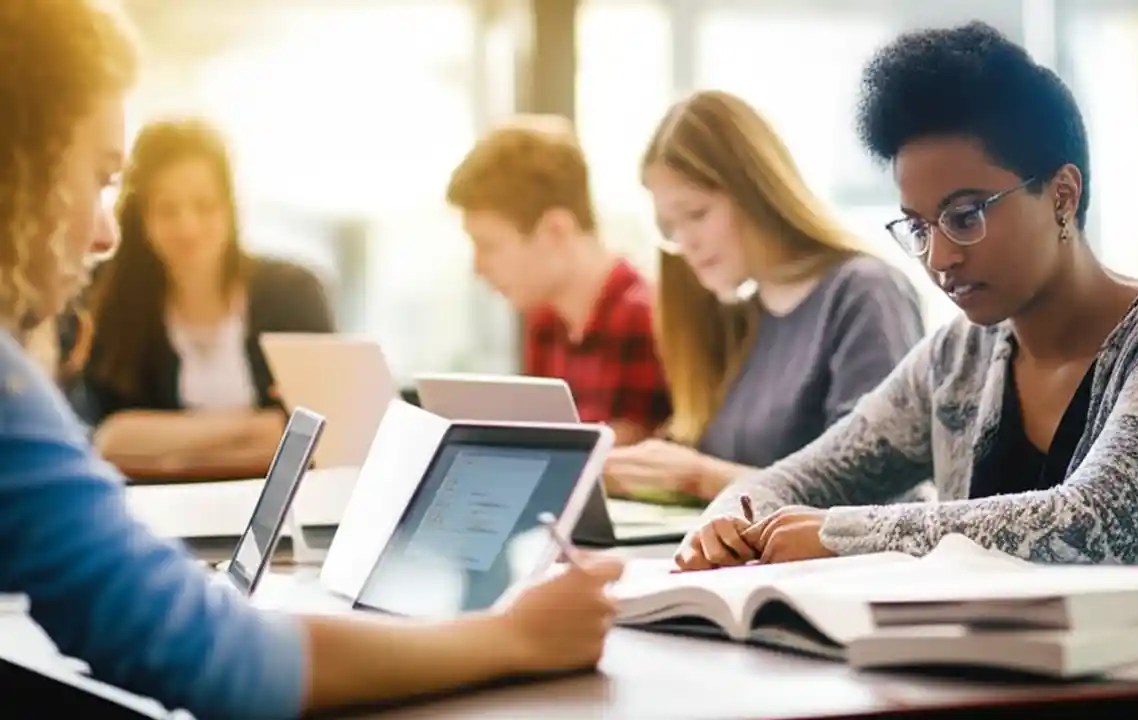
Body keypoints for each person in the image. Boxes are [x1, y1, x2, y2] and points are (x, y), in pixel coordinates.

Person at [0, 2, 622, 719]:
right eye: (102, 177)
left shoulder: (282, 287)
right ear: (21, 174)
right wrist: (514, 637)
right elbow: (210, 655)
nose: (108, 234)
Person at [675, 23, 1138, 616]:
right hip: (1015, 667)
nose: (939, 257)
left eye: (965, 216)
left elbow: (1094, 525)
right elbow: (793, 480)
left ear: (1062, 196)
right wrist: (729, 521)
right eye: (918, 226)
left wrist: (840, 534)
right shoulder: (956, 359)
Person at [604, 90, 925, 504]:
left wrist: (703, 478)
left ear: (754, 192)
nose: (685, 243)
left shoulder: (862, 293)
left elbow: (875, 493)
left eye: (697, 214)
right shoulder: (741, 316)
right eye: (670, 227)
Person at [75, 118, 334, 477]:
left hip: (286, 501)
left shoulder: (293, 293)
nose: (188, 227)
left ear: (229, 207)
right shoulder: (109, 302)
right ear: (142, 217)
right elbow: (109, 439)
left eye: (205, 205)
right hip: (155, 503)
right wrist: (254, 427)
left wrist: (169, 450)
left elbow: (325, 435)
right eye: (167, 210)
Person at [445, 115, 670, 446]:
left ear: (555, 231)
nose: (478, 269)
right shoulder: (546, 324)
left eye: (489, 246)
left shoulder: (647, 319)